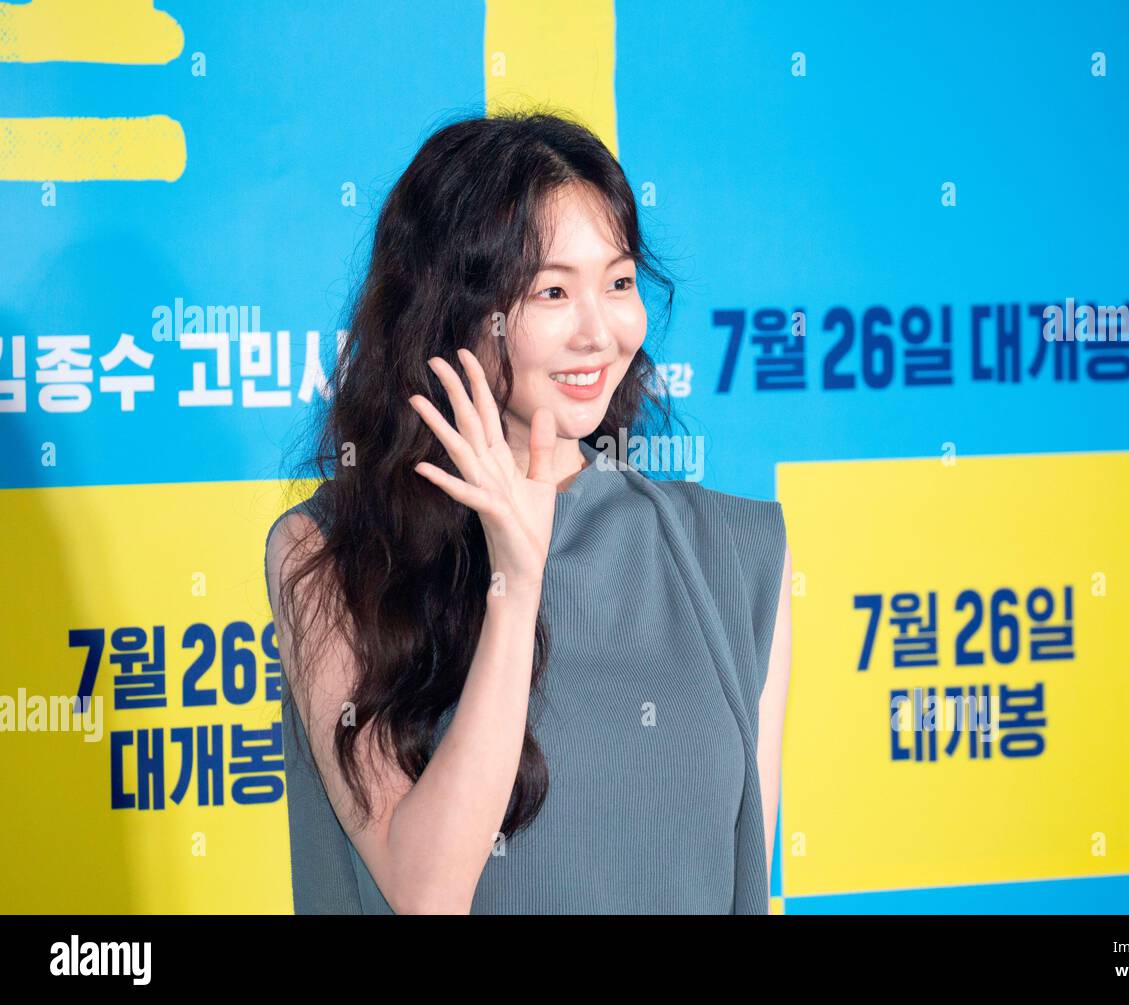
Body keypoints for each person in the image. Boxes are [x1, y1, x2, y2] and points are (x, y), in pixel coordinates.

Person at [263, 110, 792, 914]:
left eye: (618, 283)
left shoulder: (735, 554)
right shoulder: (331, 554)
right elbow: (426, 888)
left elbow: (741, 879)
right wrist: (515, 578)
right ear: (452, 311)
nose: (599, 332)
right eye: (551, 290)